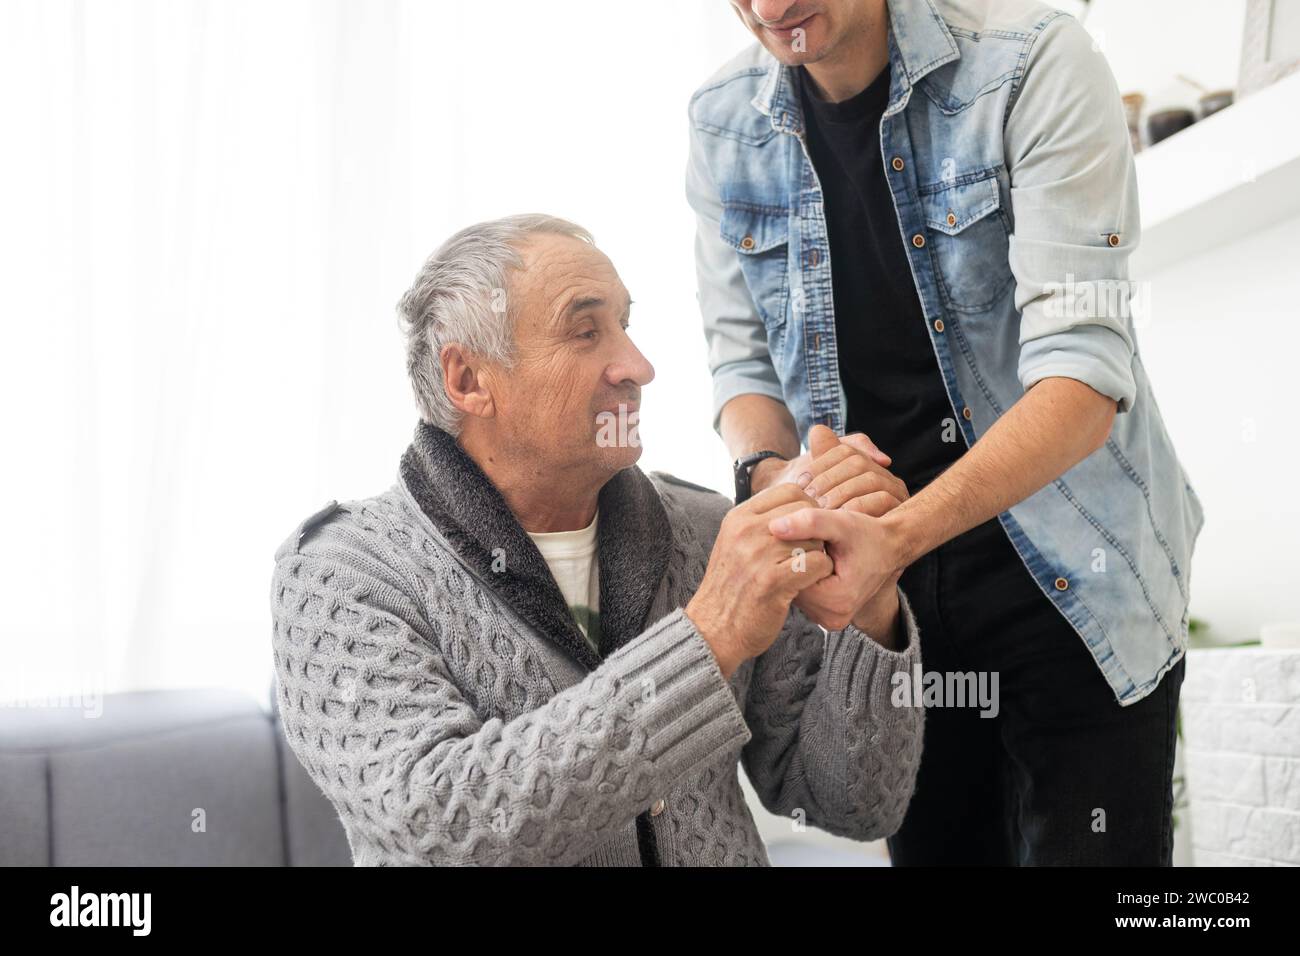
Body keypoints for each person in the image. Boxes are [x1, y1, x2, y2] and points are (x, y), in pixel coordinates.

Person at [686, 0, 1204, 864]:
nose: (771, 10)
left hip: (1073, 580)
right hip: (892, 611)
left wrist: (892, 534)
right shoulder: (722, 122)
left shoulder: (1034, 62)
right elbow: (741, 369)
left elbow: (1082, 377)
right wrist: (778, 484)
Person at [270, 213, 924, 866]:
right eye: (585, 332)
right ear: (468, 379)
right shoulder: (338, 578)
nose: (638, 367)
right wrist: (710, 637)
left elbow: (854, 805)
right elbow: (445, 830)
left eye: (625, 326)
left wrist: (870, 601)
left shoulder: (704, 528)